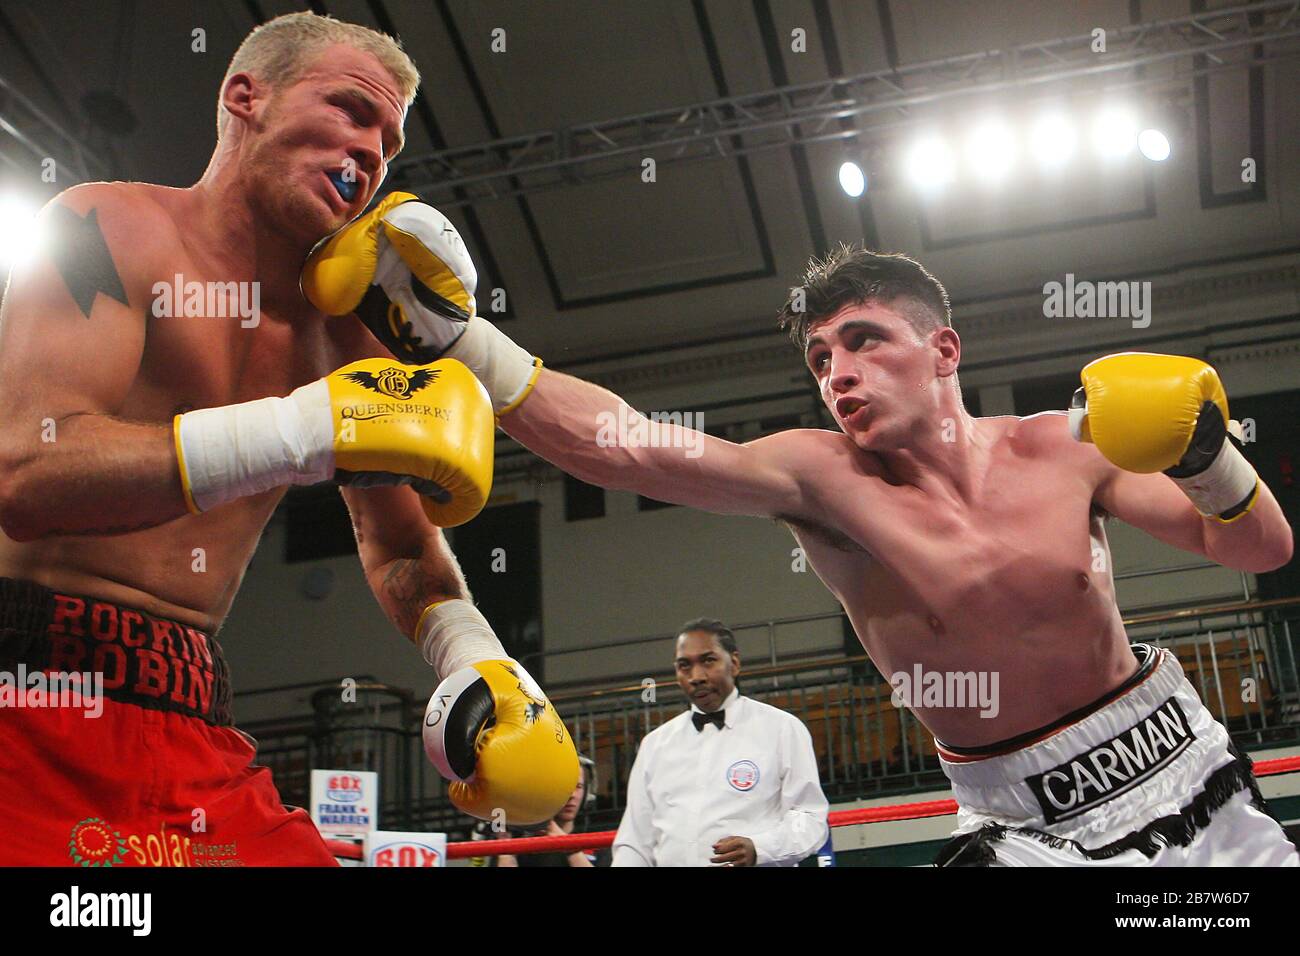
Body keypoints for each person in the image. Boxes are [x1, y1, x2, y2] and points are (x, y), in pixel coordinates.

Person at [304, 204, 1297, 864]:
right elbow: (631, 447)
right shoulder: (819, 477)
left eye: (863, 340)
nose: (837, 372)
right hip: (1018, 825)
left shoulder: (1069, 444)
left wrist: (1206, 448)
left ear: (943, 348)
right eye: (821, 355)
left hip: (1178, 770)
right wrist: (461, 338)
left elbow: (1257, 547)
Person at [0, 11, 573, 867]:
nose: (371, 149)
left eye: (388, 138)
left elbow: (401, 545)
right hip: (27, 694)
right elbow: (29, 472)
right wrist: (301, 427)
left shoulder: (349, 338)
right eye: (349, 108)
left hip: (191, 711)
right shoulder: (101, 229)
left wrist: (480, 662)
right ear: (245, 97)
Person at [609, 619, 828, 866]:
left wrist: (761, 848)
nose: (696, 677)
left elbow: (808, 818)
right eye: (684, 666)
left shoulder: (782, 729)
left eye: (708, 660)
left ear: (734, 663)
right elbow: (635, 842)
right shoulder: (655, 746)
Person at [493, 755, 609, 867]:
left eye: (578, 786)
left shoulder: (598, 841)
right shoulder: (524, 844)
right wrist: (506, 848)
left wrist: (568, 845)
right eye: (563, 786)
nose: (571, 795)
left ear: (586, 794)